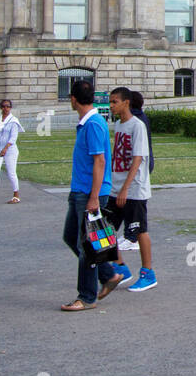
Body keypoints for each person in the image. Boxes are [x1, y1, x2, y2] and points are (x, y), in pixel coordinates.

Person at [60, 79, 119, 311]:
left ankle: (86, 297)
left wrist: (94, 197)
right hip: (80, 191)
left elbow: (100, 161)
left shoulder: (94, 124)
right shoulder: (87, 123)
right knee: (71, 237)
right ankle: (108, 274)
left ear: (73, 99)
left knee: (86, 245)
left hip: (89, 193)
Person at [106, 87, 156, 292]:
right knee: (104, 229)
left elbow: (137, 159)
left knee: (139, 230)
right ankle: (120, 266)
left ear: (126, 102)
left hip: (134, 189)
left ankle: (148, 273)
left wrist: (125, 188)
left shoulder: (138, 126)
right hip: (116, 187)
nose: (111, 105)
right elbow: (117, 155)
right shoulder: (118, 125)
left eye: (114, 102)